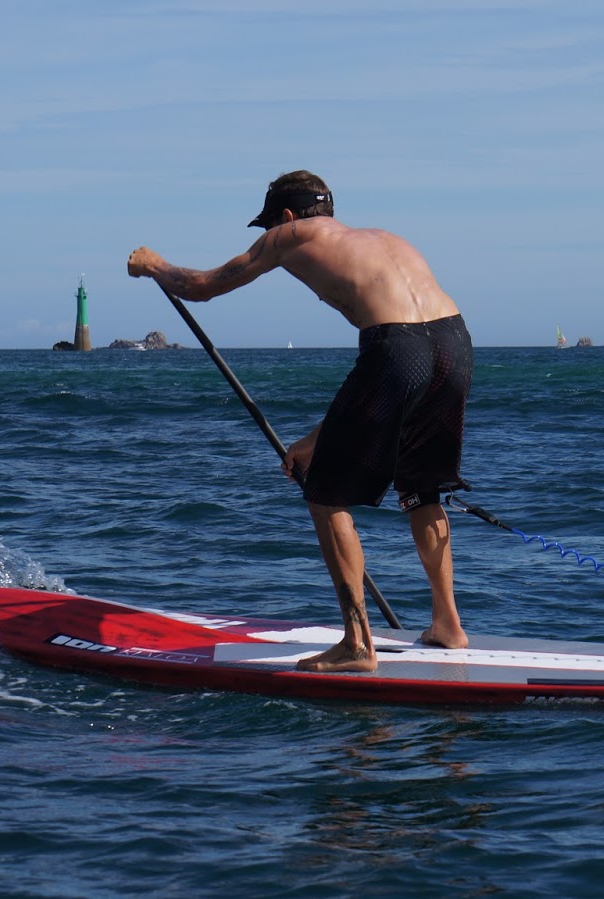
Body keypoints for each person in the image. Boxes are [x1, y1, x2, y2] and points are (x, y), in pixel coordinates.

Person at [127, 170, 473, 673]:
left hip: (397, 347)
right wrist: (315, 440)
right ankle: (448, 625)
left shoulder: (290, 236)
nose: (271, 233)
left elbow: (201, 287)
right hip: (455, 342)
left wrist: (154, 265)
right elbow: (386, 382)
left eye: (271, 223)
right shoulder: (384, 238)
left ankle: (358, 644)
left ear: (287, 216)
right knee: (422, 490)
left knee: (325, 495)